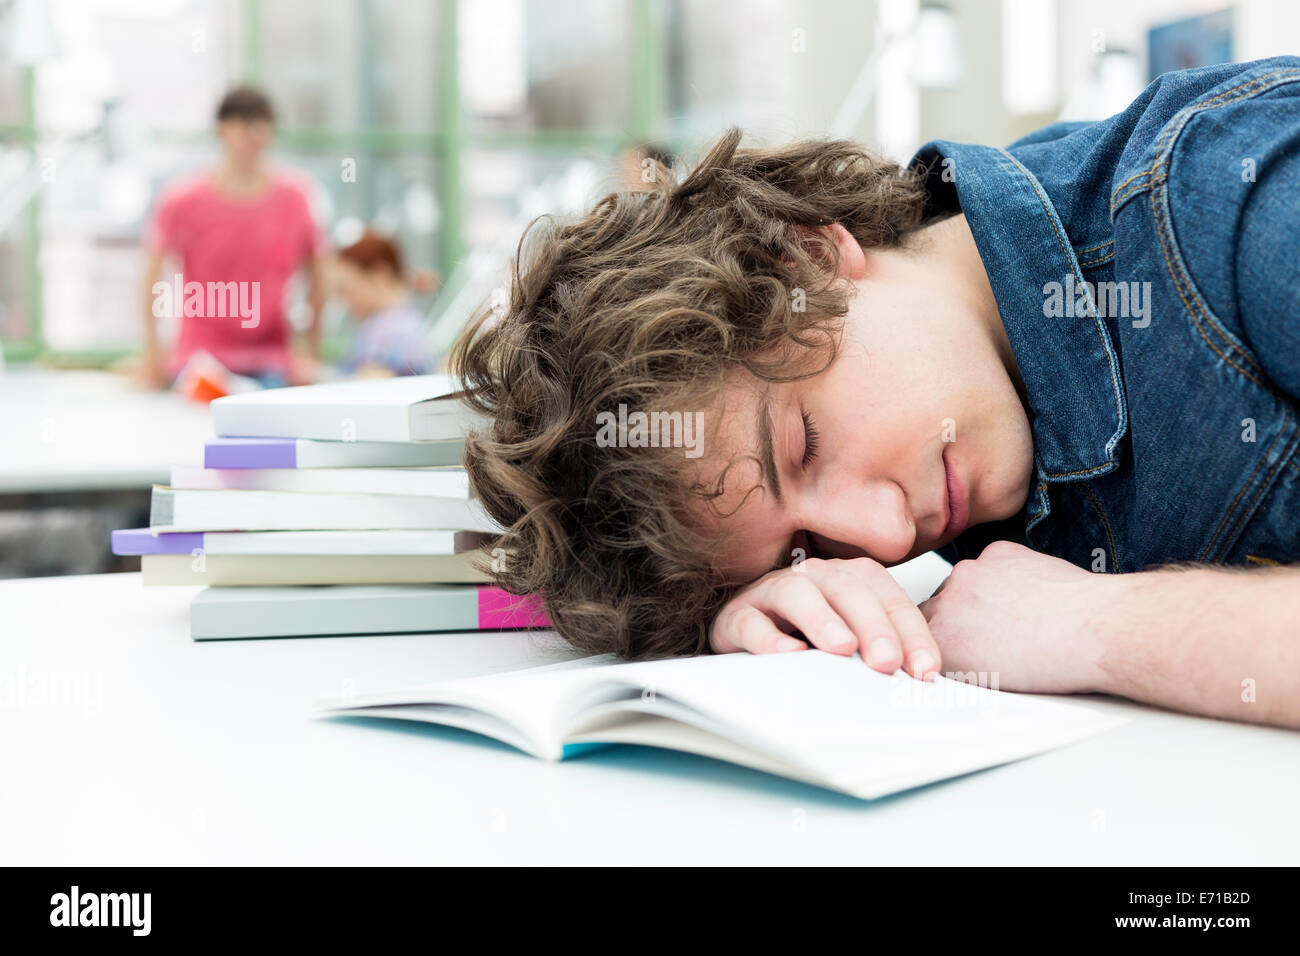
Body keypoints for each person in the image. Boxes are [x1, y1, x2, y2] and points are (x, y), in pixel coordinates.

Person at [453, 57, 1300, 729]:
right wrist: (773, 618)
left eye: (805, 447)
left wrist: (1096, 628)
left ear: (809, 262)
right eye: (811, 546)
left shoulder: (1233, 192)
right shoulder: (958, 385)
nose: (887, 535)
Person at [139, 86, 326, 389]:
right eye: (245, 126)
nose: (255, 136)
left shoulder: (296, 197)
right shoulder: (182, 199)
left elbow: (318, 275)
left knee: (267, 413)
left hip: (272, 359)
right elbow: (151, 275)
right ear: (222, 130)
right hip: (199, 357)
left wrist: (312, 353)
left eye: (262, 127)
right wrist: (152, 354)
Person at [334, 230, 435, 378]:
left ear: (379, 275)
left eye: (348, 288)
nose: (344, 299)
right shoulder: (383, 326)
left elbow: (367, 385)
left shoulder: (394, 334)